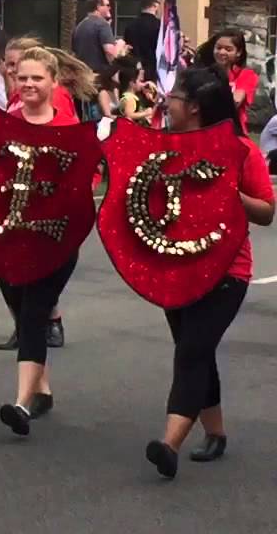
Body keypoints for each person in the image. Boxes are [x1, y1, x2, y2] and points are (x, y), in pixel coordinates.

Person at [144, 65, 274, 479]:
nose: (168, 102)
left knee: (191, 352)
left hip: (226, 272)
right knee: (196, 349)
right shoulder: (166, 146)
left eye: (176, 97)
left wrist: (229, 192)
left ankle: (169, 443)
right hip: (177, 266)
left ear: (195, 107)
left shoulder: (242, 150)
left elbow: (268, 212)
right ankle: (215, 433)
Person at [0, 47, 82, 438]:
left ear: (53, 82)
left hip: (54, 241)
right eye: (22, 77)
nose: (28, 84)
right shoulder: (1, 123)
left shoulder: (69, 127)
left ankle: (21, 403)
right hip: (8, 238)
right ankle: (41, 389)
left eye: (36, 78)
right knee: (19, 306)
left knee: (33, 314)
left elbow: (84, 184)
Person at [197, 29, 259, 133]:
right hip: (206, 130)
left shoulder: (246, 75)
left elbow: (235, 102)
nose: (222, 52)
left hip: (233, 132)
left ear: (238, 52)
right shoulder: (203, 73)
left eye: (228, 49)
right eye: (218, 48)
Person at [71, 0, 121, 77]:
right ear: (98, 6)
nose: (109, 8)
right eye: (107, 5)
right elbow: (111, 54)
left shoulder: (79, 26)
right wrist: (120, 45)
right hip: (99, 77)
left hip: (82, 77)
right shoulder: (102, 24)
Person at [123, 0, 162, 78]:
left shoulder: (130, 26)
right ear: (155, 5)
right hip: (155, 71)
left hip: (134, 72)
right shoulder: (160, 26)